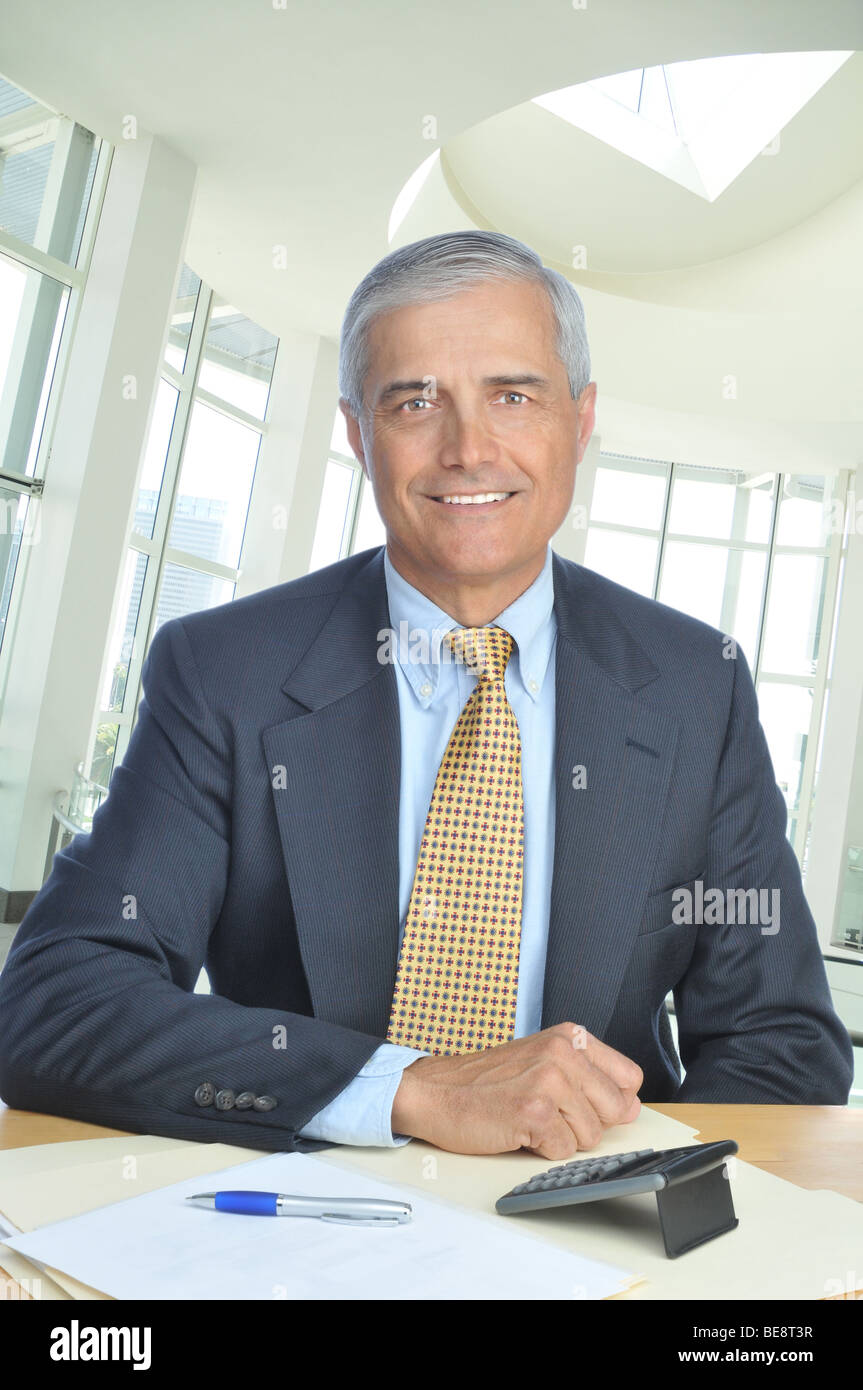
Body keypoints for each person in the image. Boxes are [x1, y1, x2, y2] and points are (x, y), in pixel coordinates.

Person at [0, 231, 852, 1162]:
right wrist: (403, 1091)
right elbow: (58, 998)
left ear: (579, 419)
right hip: (297, 1201)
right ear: (357, 432)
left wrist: (630, 1189)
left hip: (592, 1207)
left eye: (513, 396)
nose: (468, 450)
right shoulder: (223, 671)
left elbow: (780, 1042)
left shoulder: (695, 687)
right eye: (414, 402)